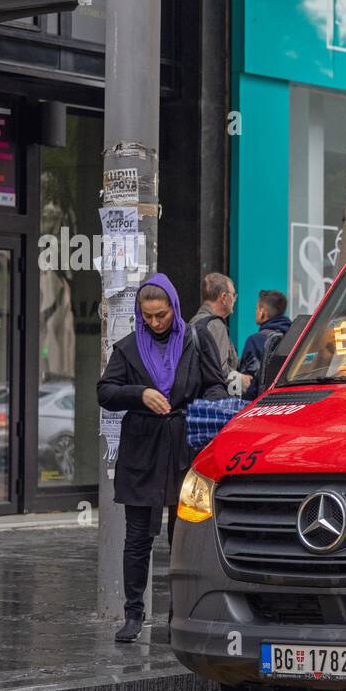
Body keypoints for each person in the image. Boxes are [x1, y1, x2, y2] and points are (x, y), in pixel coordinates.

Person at [98, 273, 228, 643]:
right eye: (148, 316)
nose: (154, 323)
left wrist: (209, 406)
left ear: (174, 307)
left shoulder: (195, 340)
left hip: (184, 447)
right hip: (142, 451)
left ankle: (178, 615)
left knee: (182, 536)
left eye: (161, 315)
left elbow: (215, 384)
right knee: (137, 537)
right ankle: (133, 614)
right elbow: (105, 391)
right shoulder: (127, 348)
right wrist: (140, 394)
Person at [189, 272, 248, 393]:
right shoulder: (216, 325)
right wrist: (241, 379)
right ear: (224, 297)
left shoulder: (193, 322)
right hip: (213, 399)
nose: (235, 299)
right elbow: (220, 370)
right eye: (233, 295)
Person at [239, 289, 292, 397]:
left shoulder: (254, 340)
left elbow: (249, 381)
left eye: (257, 308)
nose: (255, 312)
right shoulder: (293, 336)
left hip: (261, 403)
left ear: (262, 312)